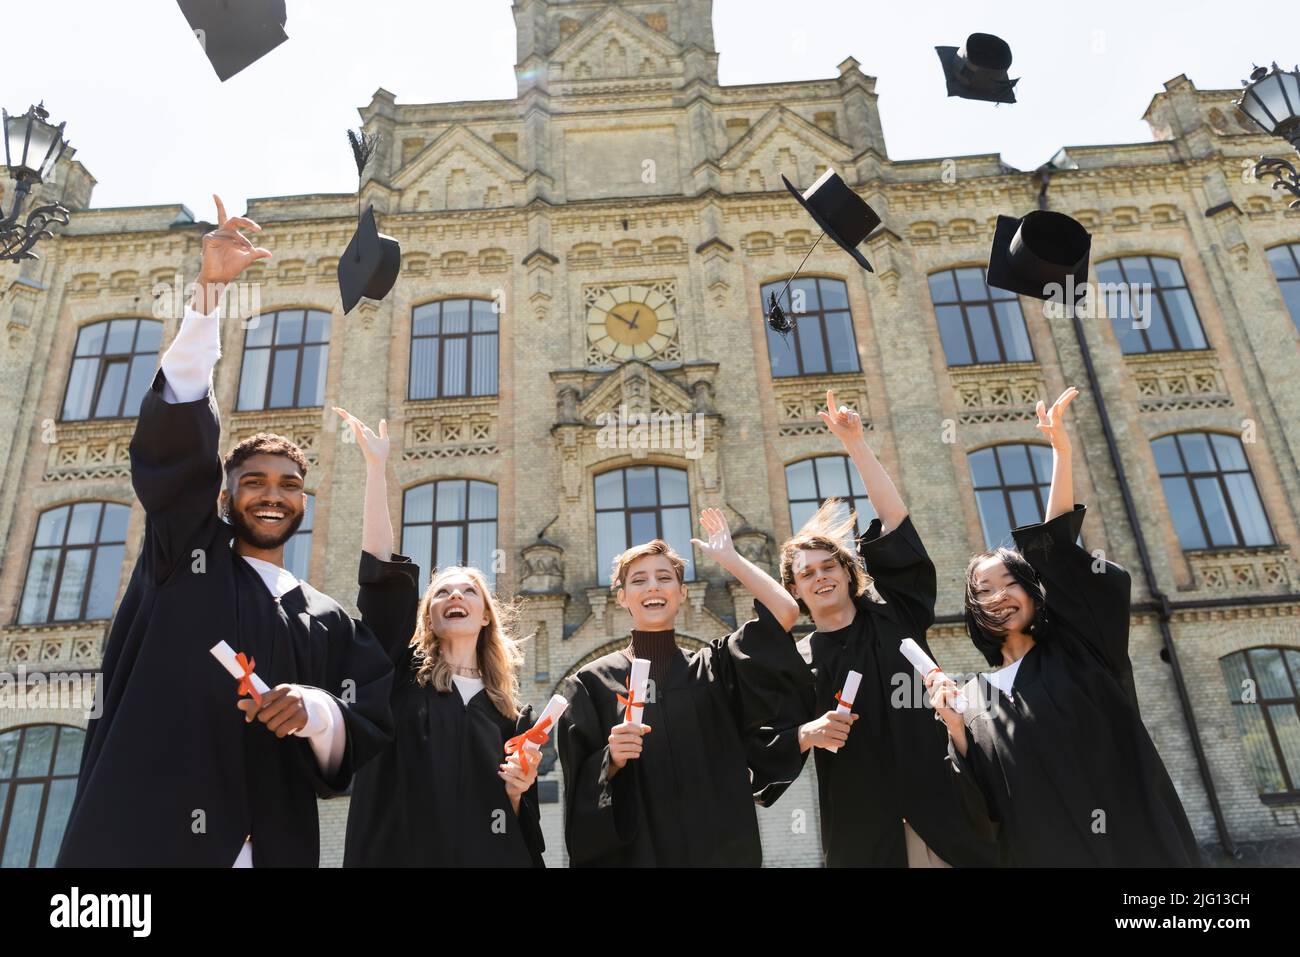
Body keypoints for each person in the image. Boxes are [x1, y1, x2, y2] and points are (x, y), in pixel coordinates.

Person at [57, 197, 394, 867]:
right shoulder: (184, 555)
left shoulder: (324, 619)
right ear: (224, 493)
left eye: (289, 484)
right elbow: (179, 437)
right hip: (142, 848)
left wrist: (315, 710)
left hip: (268, 847)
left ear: (305, 499)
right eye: (255, 481)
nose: (273, 494)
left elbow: (363, 727)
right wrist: (209, 297)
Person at [927, 387, 1202, 866]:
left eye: (1011, 582)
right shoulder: (972, 698)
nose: (1000, 595)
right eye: (985, 590)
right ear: (973, 610)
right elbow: (982, 811)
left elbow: (1057, 552)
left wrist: (1062, 451)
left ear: (1034, 592)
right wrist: (954, 729)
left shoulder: (1082, 649)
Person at [767, 390, 999, 868]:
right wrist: (810, 732)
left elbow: (895, 523)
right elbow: (771, 744)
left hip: (945, 812)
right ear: (794, 590)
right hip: (862, 832)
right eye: (806, 573)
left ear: (849, 573)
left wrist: (855, 443)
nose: (821, 576)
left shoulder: (894, 613)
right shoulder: (799, 661)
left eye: (829, 565)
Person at [334, 409, 545, 866]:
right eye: (442, 592)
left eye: (469, 591)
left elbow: (515, 820)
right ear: (427, 616)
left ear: (486, 615)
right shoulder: (397, 676)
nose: (455, 595)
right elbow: (380, 573)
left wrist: (517, 789)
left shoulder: (508, 713)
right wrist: (376, 470)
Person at [555, 521, 807, 867]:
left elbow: (786, 611)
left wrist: (730, 558)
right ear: (622, 597)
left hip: (716, 849)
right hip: (637, 854)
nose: (653, 587)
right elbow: (577, 789)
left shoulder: (717, 667)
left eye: (664, 577)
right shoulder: (592, 683)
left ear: (682, 592)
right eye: (638, 580)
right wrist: (609, 759)